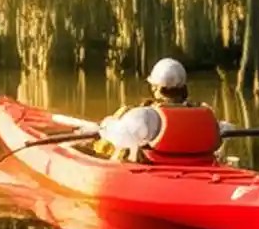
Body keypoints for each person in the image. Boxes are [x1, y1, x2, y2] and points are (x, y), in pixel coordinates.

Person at [90, 58, 234, 162]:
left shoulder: (146, 116)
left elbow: (119, 138)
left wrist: (106, 126)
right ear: (184, 88)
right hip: (201, 171)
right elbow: (225, 130)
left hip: (157, 171)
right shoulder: (206, 114)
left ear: (155, 88)